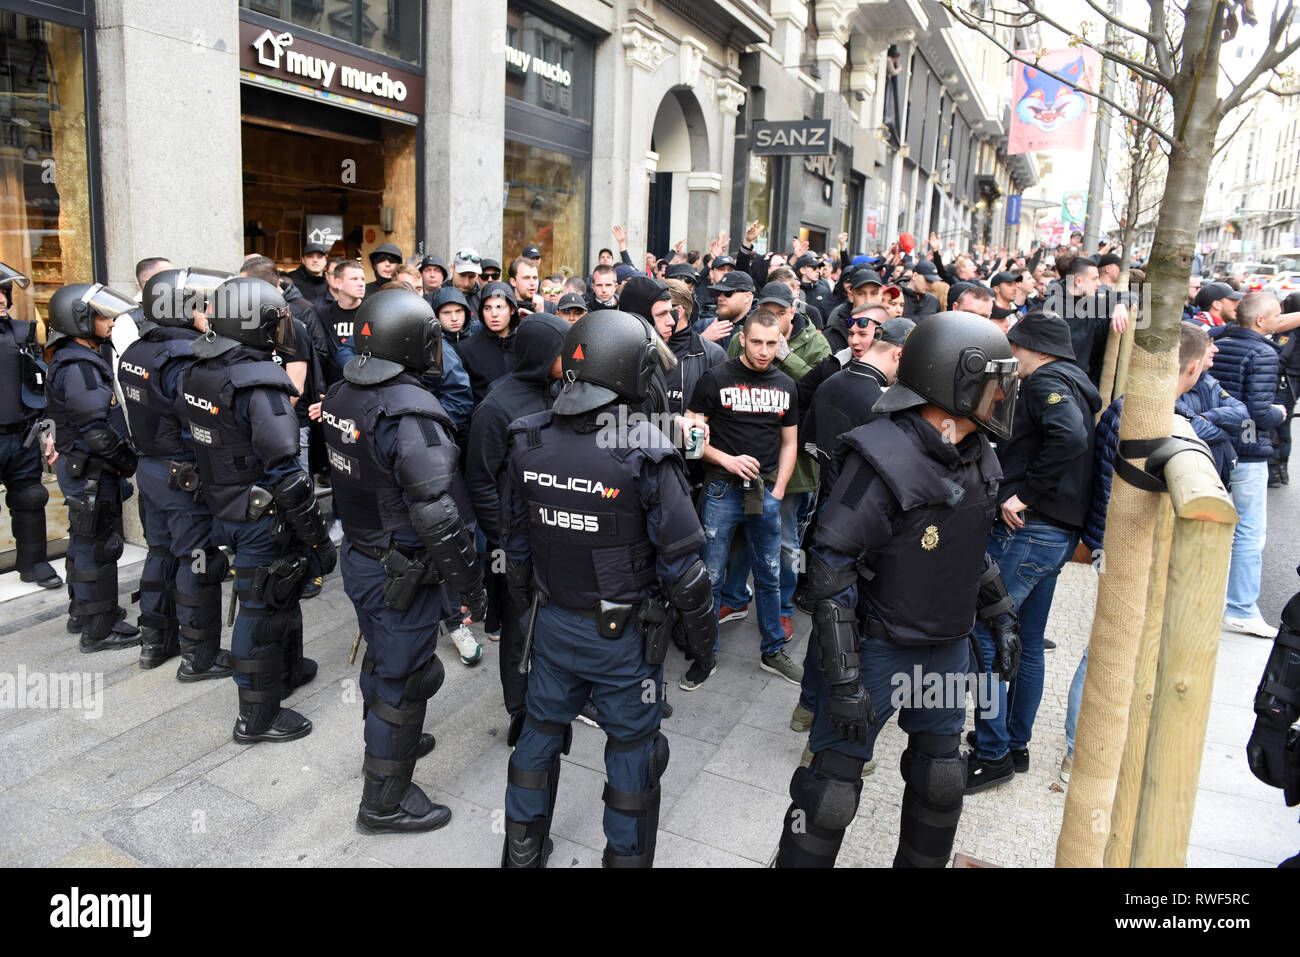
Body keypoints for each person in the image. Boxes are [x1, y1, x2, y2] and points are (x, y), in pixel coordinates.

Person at [774, 312, 1021, 868]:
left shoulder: (977, 449)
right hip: (879, 648)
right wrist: (840, 678)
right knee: (829, 794)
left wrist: (1001, 614)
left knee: (941, 779)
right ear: (950, 382)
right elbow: (831, 566)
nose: (1000, 397)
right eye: (990, 383)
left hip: (948, 644)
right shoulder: (879, 453)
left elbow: (967, 545)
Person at [498, 311, 716, 867]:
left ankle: (520, 851)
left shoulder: (528, 437)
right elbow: (684, 573)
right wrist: (703, 648)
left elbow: (515, 550)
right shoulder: (645, 451)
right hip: (622, 639)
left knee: (539, 735)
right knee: (635, 753)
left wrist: (529, 615)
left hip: (552, 624)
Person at [319, 288, 487, 832]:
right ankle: (385, 800)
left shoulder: (344, 392)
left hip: (364, 558)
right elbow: (437, 514)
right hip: (402, 569)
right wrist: (471, 583)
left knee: (383, 659)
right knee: (406, 678)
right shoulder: (410, 413)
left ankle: (390, 738)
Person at [183, 276, 336, 742]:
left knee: (277, 595)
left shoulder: (199, 364)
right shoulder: (259, 379)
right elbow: (286, 470)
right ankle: (256, 716)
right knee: (260, 606)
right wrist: (317, 538)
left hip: (224, 502)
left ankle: (285, 672)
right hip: (261, 513)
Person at [966, 313, 1100, 792]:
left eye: (1014, 347)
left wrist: (1026, 495)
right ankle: (1015, 744)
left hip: (1031, 531)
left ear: (1034, 348)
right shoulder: (1074, 381)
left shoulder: (1047, 381)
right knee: (1027, 638)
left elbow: (1070, 437)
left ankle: (992, 753)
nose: (1010, 356)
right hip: (1056, 534)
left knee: (984, 634)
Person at [119, 267, 234, 676]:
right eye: (202, 304)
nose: (208, 311)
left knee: (161, 553)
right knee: (197, 560)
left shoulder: (135, 351)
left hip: (150, 469)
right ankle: (198, 656)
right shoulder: (186, 357)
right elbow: (201, 421)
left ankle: (155, 643)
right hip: (183, 475)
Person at [686, 308, 802, 688]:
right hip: (721, 489)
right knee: (712, 576)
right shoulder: (715, 379)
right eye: (757, 342)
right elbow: (690, 436)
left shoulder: (786, 384)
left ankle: (772, 651)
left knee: (769, 575)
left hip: (767, 492)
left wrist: (781, 488)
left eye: (772, 343)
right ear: (742, 338)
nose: (764, 351)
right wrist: (725, 459)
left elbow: (790, 442)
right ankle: (706, 655)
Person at [466, 311, 570, 718]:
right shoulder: (496, 407)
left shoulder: (562, 389)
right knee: (518, 627)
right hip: (515, 545)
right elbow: (480, 480)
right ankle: (520, 710)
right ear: (543, 354)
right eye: (566, 351)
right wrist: (506, 540)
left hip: (558, 536)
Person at [720, 282, 830, 640]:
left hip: (792, 464)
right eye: (768, 310)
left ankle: (782, 609)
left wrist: (785, 356)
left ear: (793, 312)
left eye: (782, 312)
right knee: (738, 535)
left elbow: (819, 391)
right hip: (748, 456)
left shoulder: (817, 343)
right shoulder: (744, 338)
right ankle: (734, 598)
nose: (775, 318)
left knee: (785, 545)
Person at [44, 281, 143, 651]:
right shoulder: (78, 366)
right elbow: (95, 431)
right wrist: (127, 461)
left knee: (87, 544)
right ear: (80, 320)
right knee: (97, 548)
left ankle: (83, 613)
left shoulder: (79, 358)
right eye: (103, 316)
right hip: (90, 471)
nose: (111, 322)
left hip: (86, 470)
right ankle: (98, 628)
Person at [1210, 291, 1288, 638]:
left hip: (1215, 442)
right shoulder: (1263, 352)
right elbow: (1258, 411)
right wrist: (1280, 413)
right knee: (1248, 533)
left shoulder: (1219, 339)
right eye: (1276, 316)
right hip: (1248, 448)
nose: (1279, 321)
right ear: (1260, 321)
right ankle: (1241, 607)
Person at [0, 262, 61, 590]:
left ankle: (34, 563)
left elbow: (39, 386)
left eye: (3, 293)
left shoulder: (23, 332)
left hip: (22, 434)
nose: (0, 299)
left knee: (31, 499)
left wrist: (48, 429)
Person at [457, 280, 520, 406]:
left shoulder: (525, 344)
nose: (494, 314)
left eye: (500, 307)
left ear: (512, 310)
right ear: (481, 312)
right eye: (487, 308)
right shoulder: (466, 349)